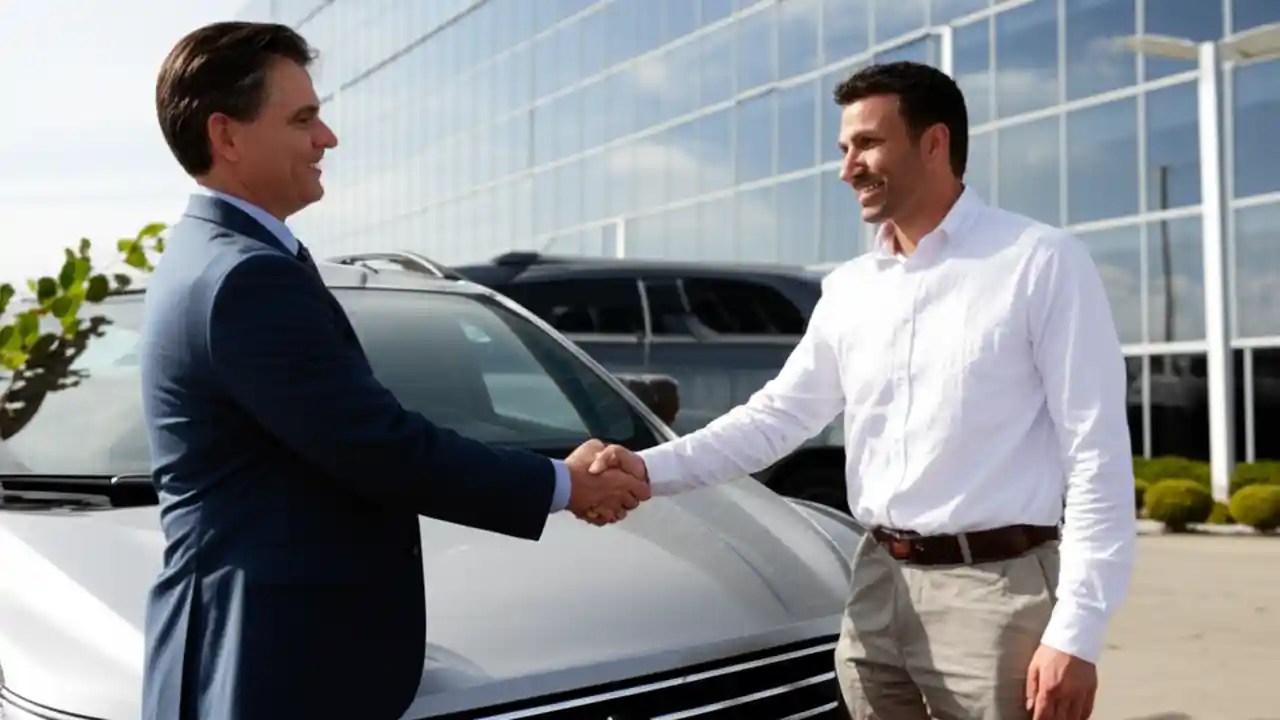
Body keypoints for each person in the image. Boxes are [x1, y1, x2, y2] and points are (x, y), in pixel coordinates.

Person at [587, 61, 1136, 720]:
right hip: (876, 583)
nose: (848, 168)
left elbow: (1097, 454)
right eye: (845, 149)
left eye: (867, 144)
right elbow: (778, 418)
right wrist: (647, 468)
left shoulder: (1039, 262)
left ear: (935, 143)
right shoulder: (851, 287)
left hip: (996, 594)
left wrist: (1076, 632)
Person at [139, 21, 649, 720]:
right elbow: (377, 445)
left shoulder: (218, 255)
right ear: (227, 136)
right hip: (268, 660)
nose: (328, 139)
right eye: (304, 118)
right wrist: (564, 483)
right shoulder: (245, 275)